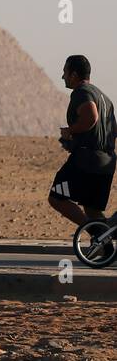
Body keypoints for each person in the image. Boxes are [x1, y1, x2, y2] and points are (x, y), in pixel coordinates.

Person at [48, 54, 116, 232]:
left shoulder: (81, 92)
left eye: (65, 72)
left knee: (57, 197)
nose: (63, 76)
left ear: (74, 75)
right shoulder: (105, 98)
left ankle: (95, 232)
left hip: (86, 161)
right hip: (106, 162)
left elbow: (91, 116)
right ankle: (105, 246)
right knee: (92, 209)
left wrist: (71, 130)